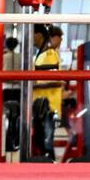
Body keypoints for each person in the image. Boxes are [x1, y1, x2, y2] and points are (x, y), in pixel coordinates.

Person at [31, 23, 64, 160]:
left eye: (31, 34)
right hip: (41, 107)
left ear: (38, 35)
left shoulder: (49, 55)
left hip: (47, 108)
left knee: (46, 145)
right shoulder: (41, 55)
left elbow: (56, 80)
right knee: (42, 143)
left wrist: (31, 84)